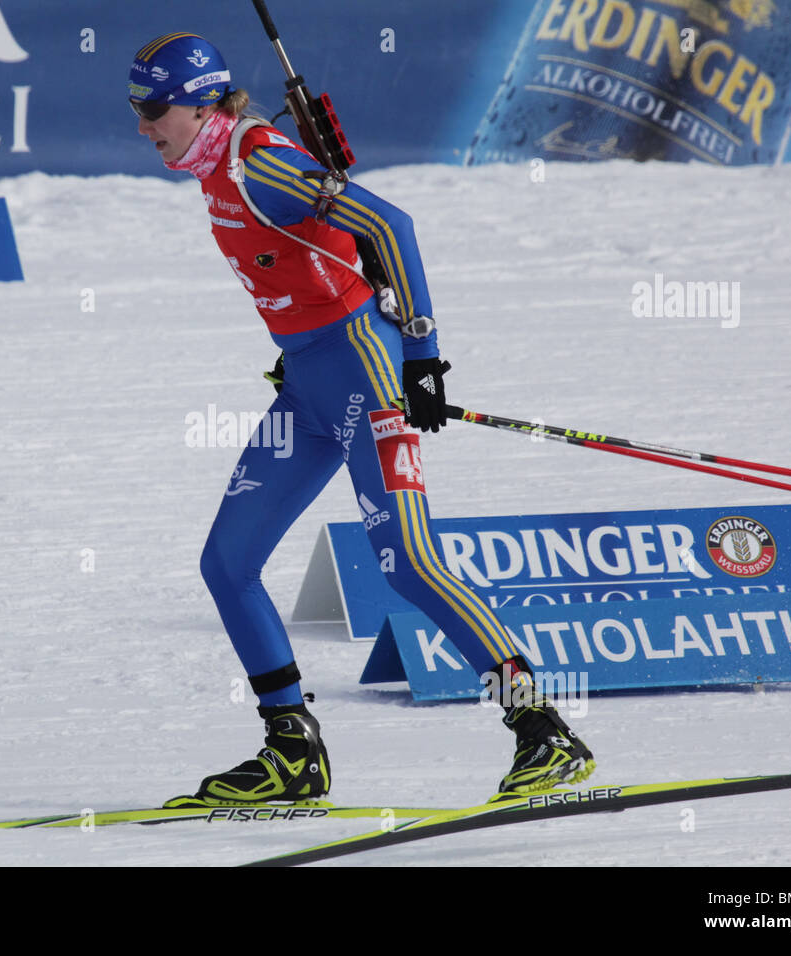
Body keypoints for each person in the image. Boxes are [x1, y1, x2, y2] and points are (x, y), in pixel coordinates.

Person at [129, 32, 594, 803]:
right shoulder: (212, 165)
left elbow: (390, 226)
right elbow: (307, 262)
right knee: (226, 564)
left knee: (409, 562)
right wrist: (298, 348)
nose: (143, 126)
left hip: (366, 375)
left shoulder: (260, 158)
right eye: (135, 108)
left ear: (203, 99)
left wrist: (423, 357)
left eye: (153, 108)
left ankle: (544, 731)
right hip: (309, 390)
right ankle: (292, 751)